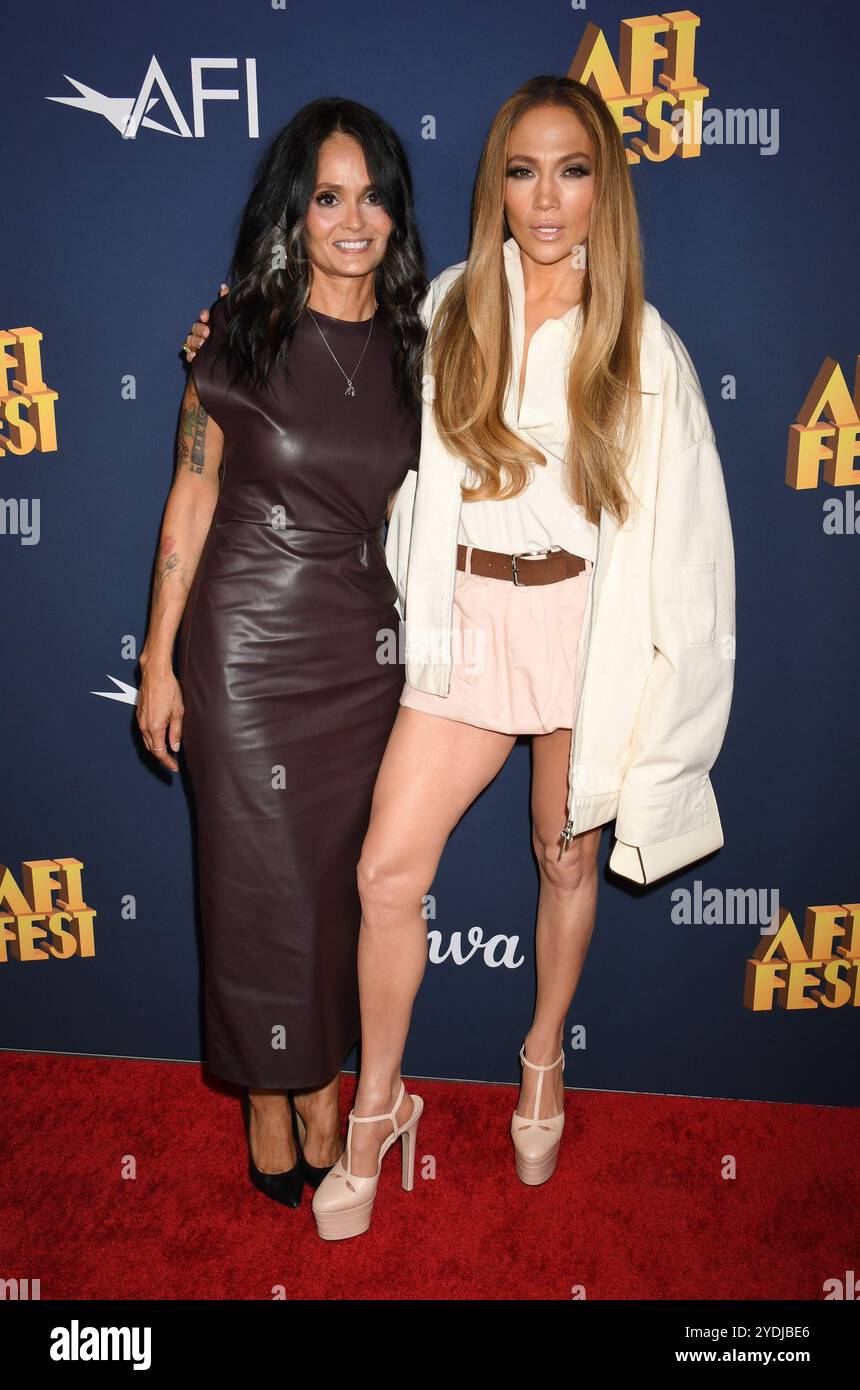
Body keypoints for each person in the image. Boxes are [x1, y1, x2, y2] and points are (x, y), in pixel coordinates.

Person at [308, 75, 736, 1240]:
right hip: (464, 627)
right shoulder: (449, 304)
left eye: (572, 169)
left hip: (585, 632)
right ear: (494, 181)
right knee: (385, 872)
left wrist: (668, 704)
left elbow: (692, 553)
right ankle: (377, 1106)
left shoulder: (643, 346)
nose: (545, 198)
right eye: (521, 169)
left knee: (563, 859)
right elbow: (335, 357)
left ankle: (541, 1055)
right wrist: (222, 335)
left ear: (604, 189)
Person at [138, 97, 425, 1208]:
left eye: (371, 197)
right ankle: (273, 1092)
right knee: (253, 886)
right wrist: (159, 659)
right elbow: (192, 491)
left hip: (363, 656)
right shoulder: (237, 333)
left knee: (334, 891)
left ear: (395, 212)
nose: (351, 219)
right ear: (293, 213)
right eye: (326, 197)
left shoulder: (420, 342)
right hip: (246, 649)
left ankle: (322, 1081)